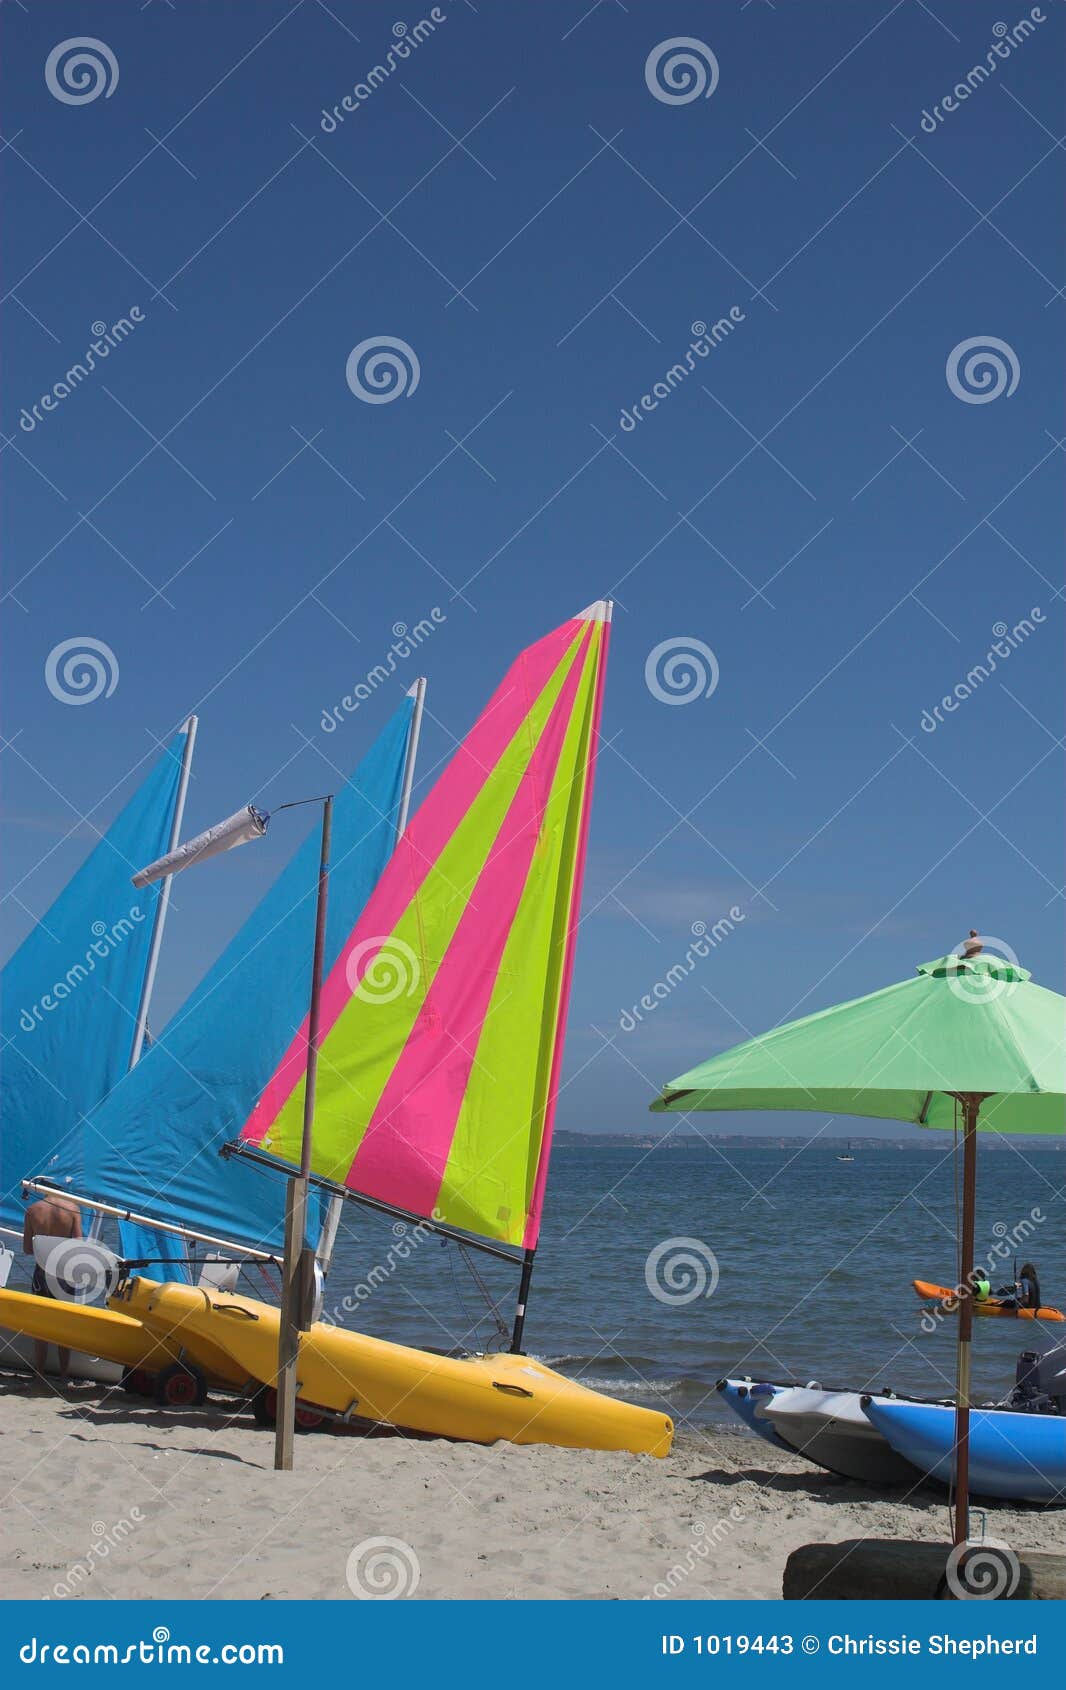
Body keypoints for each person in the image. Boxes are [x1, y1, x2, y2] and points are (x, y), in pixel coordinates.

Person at [22, 1179, 82, 1383]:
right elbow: (78, 1245)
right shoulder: (72, 1208)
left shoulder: (32, 1210)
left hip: (42, 1273)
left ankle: (40, 1373)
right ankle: (64, 1375)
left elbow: (28, 1249)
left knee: (40, 1325)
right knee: (64, 1325)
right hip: (64, 1274)